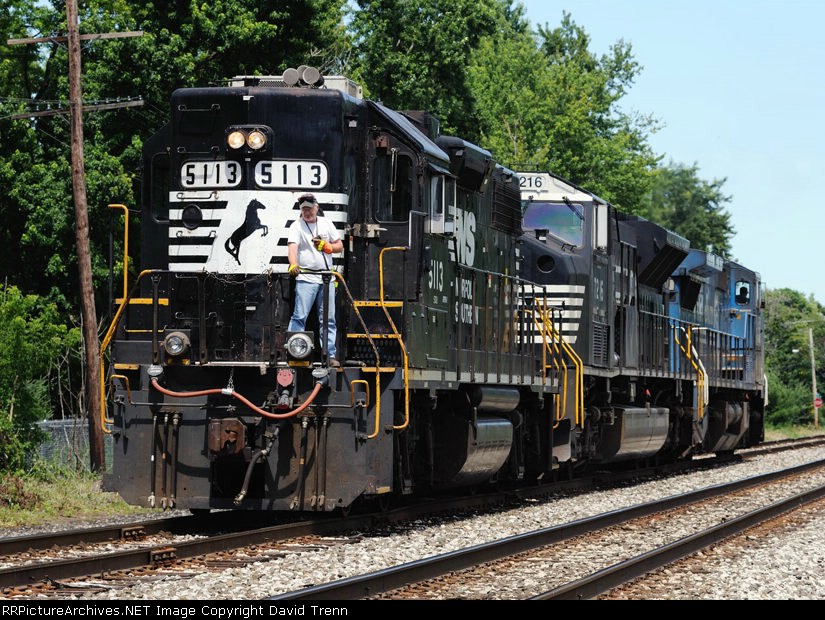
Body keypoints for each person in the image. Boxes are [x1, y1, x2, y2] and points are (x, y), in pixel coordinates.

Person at [287, 193, 344, 367]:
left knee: (328, 319)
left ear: (316, 208)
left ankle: (329, 355)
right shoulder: (296, 226)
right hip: (306, 278)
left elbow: (339, 246)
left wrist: (328, 247)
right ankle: (294, 352)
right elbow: (292, 247)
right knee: (299, 316)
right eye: (304, 209)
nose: (307, 212)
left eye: (309, 208)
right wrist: (293, 264)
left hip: (326, 278)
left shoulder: (326, 223)